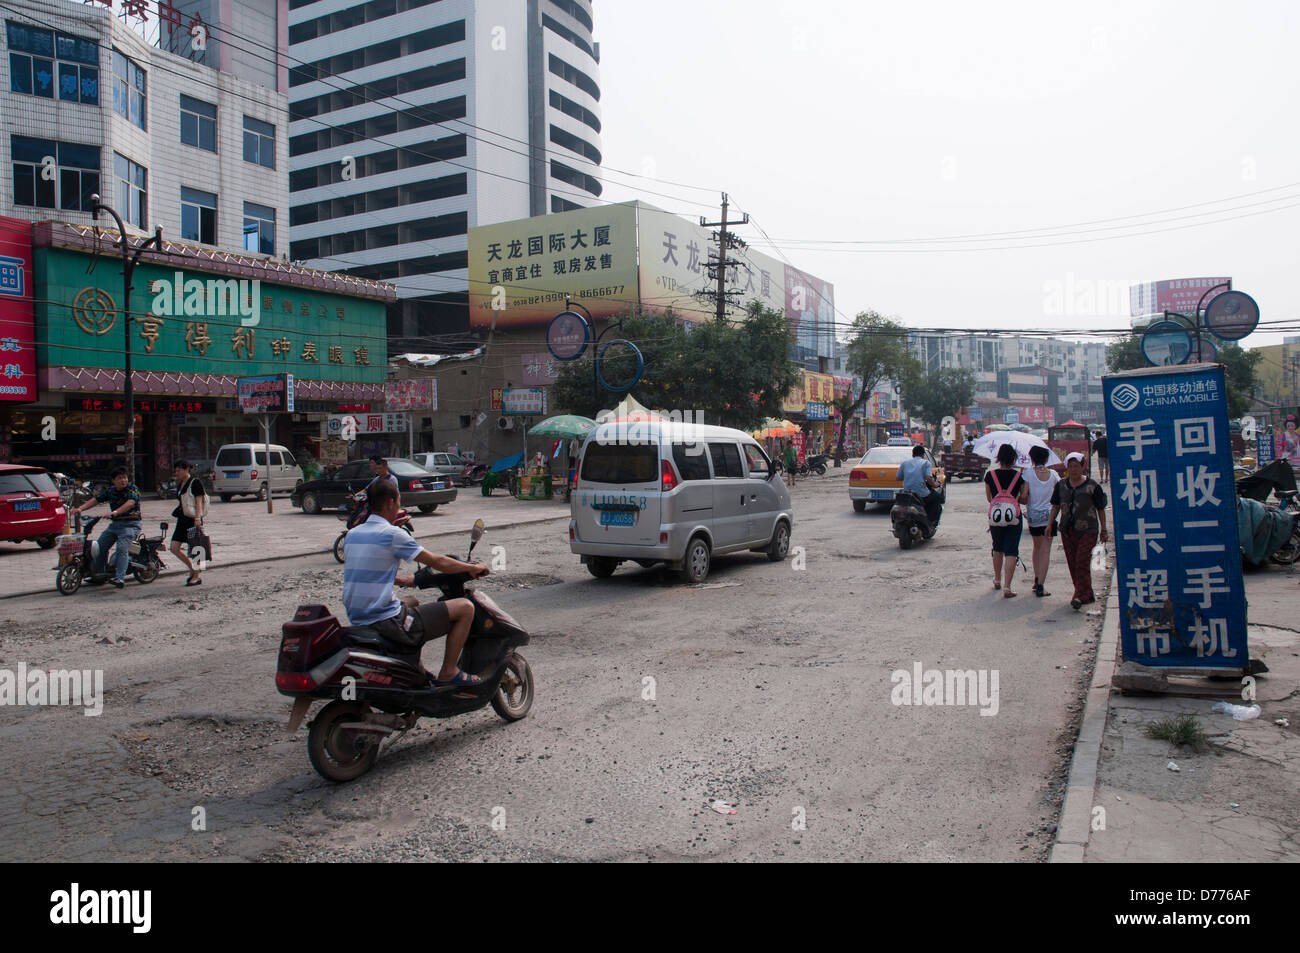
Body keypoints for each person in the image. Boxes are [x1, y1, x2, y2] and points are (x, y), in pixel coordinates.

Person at [343, 479, 489, 686]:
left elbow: (369, 571)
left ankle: (415, 668)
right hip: (385, 621)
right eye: (399, 501)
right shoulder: (392, 534)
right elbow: (438, 562)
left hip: (358, 616)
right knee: (465, 608)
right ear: (390, 502)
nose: (400, 507)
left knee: (412, 601)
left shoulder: (352, 534)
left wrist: (404, 580)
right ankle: (449, 671)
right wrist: (472, 568)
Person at [1050, 451, 1109, 611]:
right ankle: (1086, 594)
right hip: (1067, 530)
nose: (1074, 469)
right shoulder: (1061, 485)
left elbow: (1100, 509)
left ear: (1083, 467)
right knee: (1072, 562)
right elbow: (1055, 506)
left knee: (1081, 561)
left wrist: (1104, 529)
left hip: (1088, 530)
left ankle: (1078, 595)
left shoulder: (1092, 486)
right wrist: (1050, 525)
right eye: (1071, 466)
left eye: (1077, 466)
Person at [73, 466, 141, 590]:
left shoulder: (133, 489)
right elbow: (96, 500)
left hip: (130, 524)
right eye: (119, 478)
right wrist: (80, 508)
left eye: (125, 478)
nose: (123, 480)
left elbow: (130, 503)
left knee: (121, 548)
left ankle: (120, 578)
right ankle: (99, 575)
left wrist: (115, 512)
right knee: (99, 547)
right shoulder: (110, 491)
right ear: (113, 481)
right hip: (115, 525)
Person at [985, 443, 1029, 597]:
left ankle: (997, 580)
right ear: (1014, 459)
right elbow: (1023, 500)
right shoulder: (1019, 476)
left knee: (997, 548)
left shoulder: (990, 475)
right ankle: (1007, 587)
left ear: (999, 458)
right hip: (1014, 517)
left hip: (995, 517)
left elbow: (989, 498)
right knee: (1011, 551)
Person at [1023, 445, 1060, 598]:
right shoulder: (1054, 475)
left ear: (1031, 458)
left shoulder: (1028, 474)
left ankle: (1036, 578)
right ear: (1046, 459)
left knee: (1037, 547)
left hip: (1033, 517)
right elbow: (1058, 496)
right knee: (1046, 550)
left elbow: (1024, 496)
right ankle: (1040, 585)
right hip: (1049, 517)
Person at [168, 460, 207, 586]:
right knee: (174, 547)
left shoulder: (195, 482)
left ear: (186, 470)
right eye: (176, 470)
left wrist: (197, 518)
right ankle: (191, 568)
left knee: (196, 548)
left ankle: (196, 576)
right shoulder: (181, 484)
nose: (177, 473)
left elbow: (198, 502)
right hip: (182, 519)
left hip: (193, 519)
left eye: (179, 470)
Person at [896, 444, 943, 528]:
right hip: (921, 493)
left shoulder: (905, 463)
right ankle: (931, 522)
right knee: (937, 498)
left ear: (912, 454)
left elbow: (898, 477)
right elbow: (928, 478)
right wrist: (935, 484)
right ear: (922, 455)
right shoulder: (926, 463)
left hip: (907, 492)